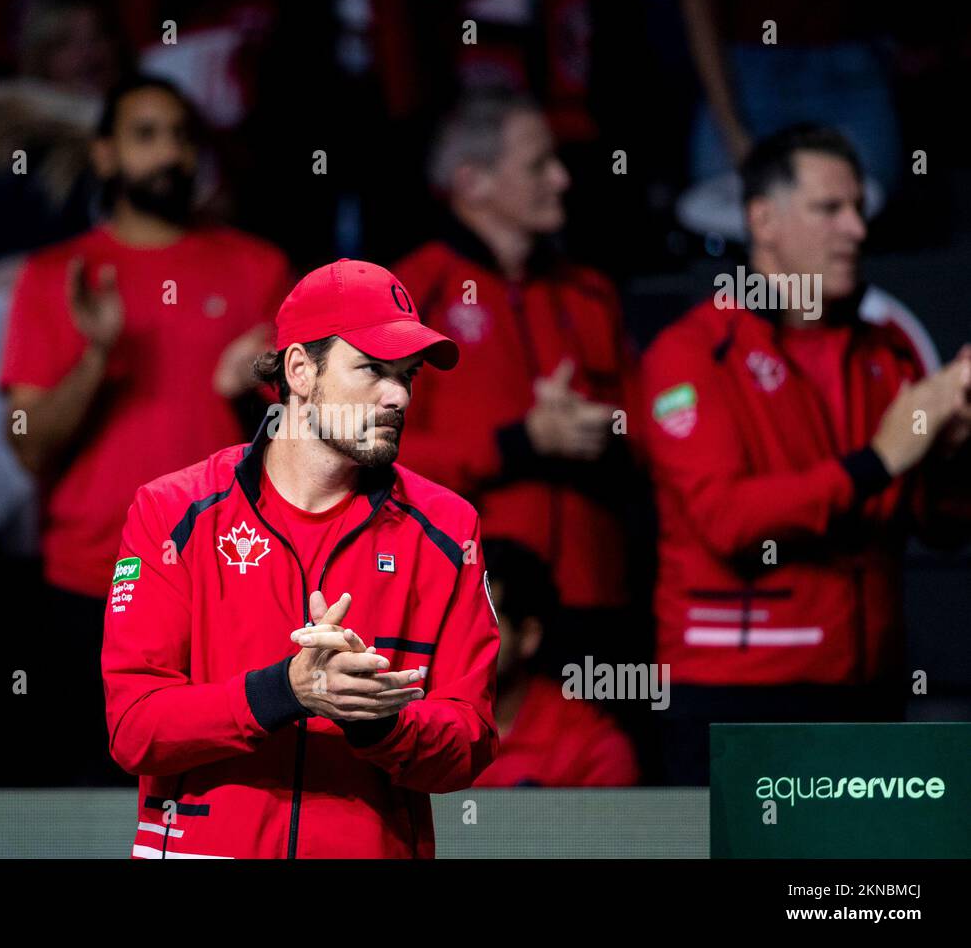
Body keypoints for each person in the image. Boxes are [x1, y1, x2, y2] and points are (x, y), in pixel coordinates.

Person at [101, 259, 499, 858]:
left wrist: (377, 723)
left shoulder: (447, 529)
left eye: (407, 376)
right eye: (371, 369)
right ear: (299, 370)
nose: (397, 395)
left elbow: (470, 745)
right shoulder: (171, 513)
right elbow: (135, 729)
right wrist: (285, 691)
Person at [641, 125, 971, 785]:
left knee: (858, 892)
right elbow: (729, 521)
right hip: (738, 694)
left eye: (859, 209)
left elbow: (939, 526)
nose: (855, 228)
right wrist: (879, 458)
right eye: (830, 209)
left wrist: (950, 455)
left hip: (869, 687)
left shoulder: (888, 352)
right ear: (762, 218)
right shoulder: (690, 352)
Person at [0, 74, 292, 785]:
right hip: (95, 586)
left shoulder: (260, 268)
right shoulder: (55, 276)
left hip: (237, 584)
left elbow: (310, 442)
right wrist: (98, 357)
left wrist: (249, 401)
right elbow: (30, 447)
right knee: (89, 805)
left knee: (232, 801)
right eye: (146, 134)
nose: (171, 153)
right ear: (104, 155)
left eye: (183, 136)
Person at [394, 89, 646, 681]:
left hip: (595, 600)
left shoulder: (590, 294)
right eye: (537, 165)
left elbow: (649, 439)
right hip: (462, 599)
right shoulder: (407, 294)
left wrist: (605, 432)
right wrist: (519, 442)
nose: (561, 179)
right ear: (473, 181)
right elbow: (370, 452)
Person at [473, 539, 639, 788]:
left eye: (485, 623)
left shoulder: (590, 748)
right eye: (456, 620)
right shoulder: (416, 723)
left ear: (528, 636)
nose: (465, 638)